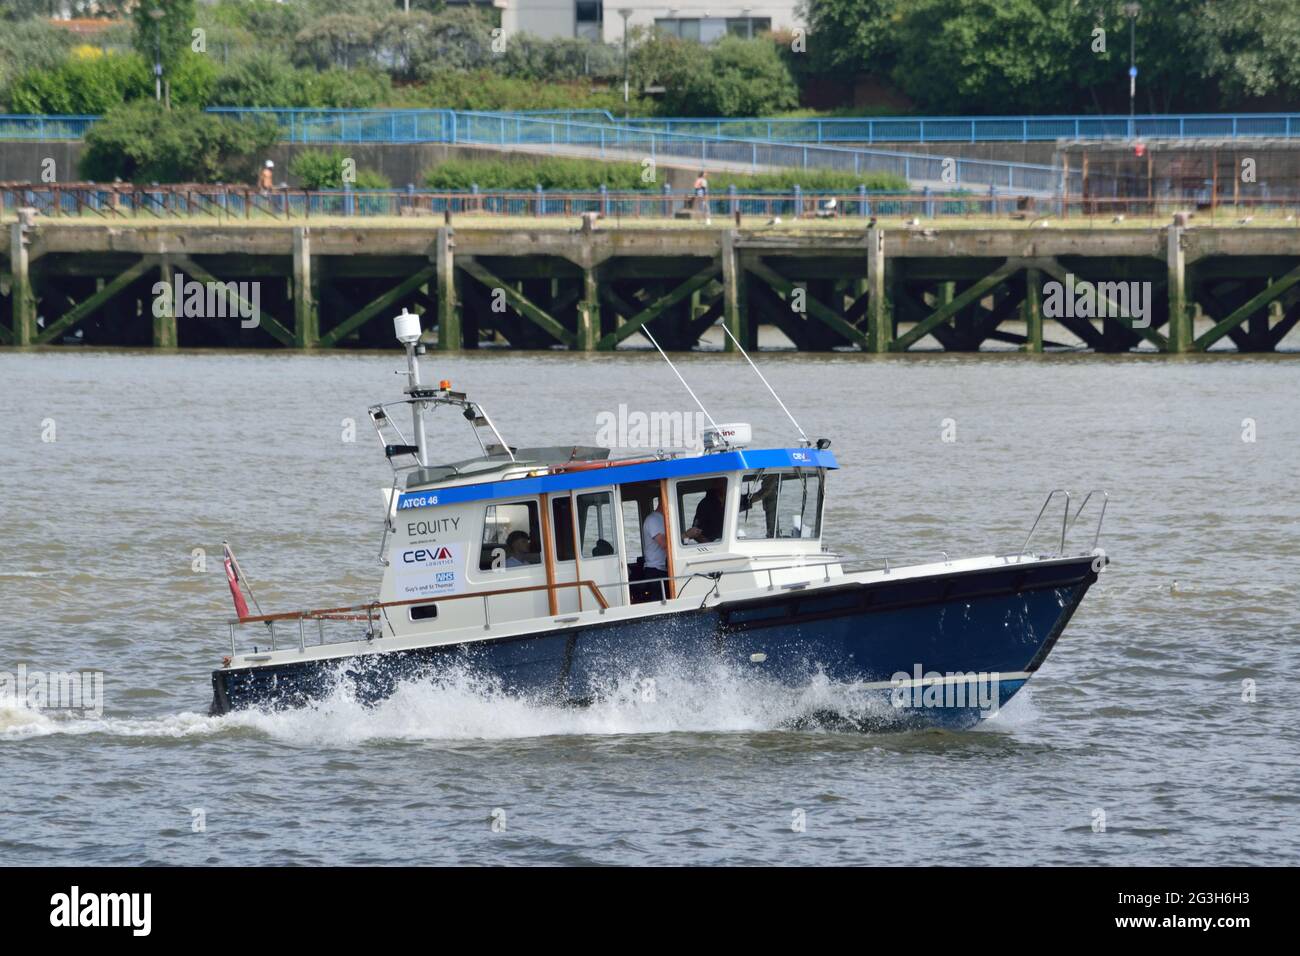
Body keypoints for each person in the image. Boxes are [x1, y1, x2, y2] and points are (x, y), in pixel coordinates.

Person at [639, 499, 669, 601]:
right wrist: (686, 535)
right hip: (655, 571)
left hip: (663, 569)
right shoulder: (653, 519)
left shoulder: (663, 518)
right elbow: (664, 543)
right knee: (659, 602)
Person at [684, 478, 726, 543]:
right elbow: (695, 532)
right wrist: (711, 545)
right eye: (722, 481)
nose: (725, 483)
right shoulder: (705, 504)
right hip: (712, 546)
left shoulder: (730, 499)